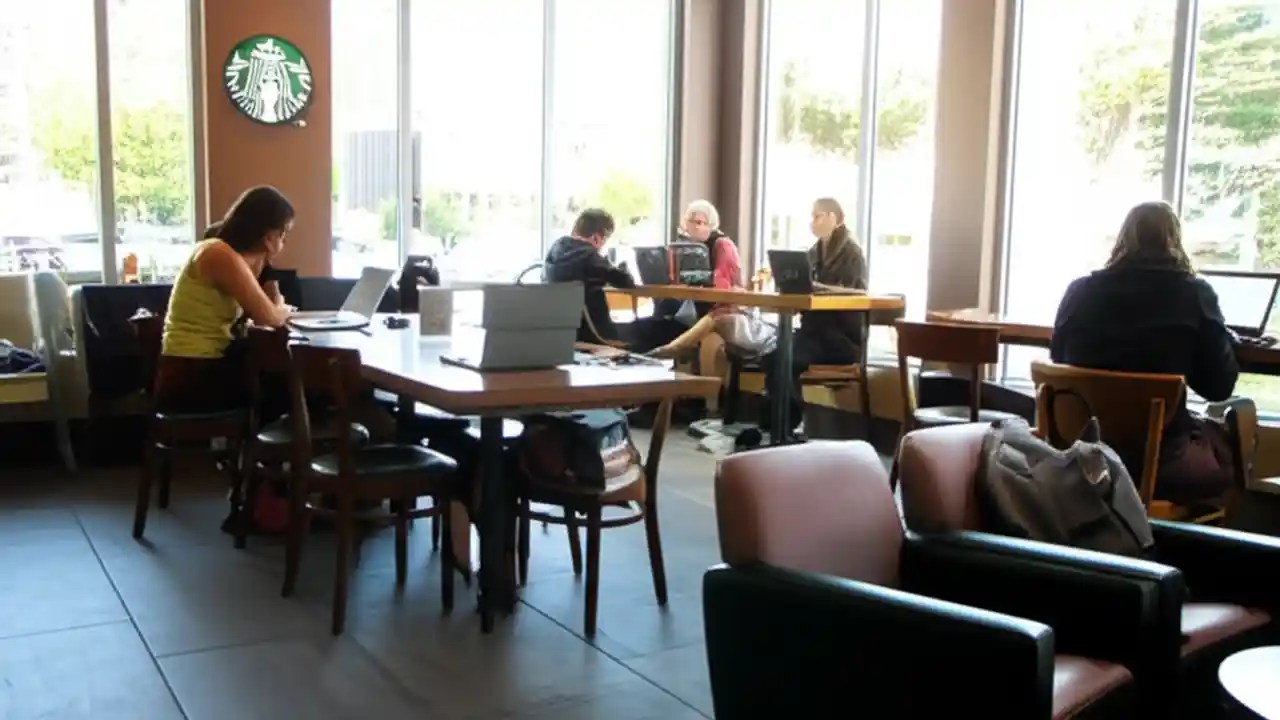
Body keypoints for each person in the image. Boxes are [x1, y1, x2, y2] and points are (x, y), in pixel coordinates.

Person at [1050, 200, 1239, 506]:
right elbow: (1218, 388)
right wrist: (1220, 335)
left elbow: (1058, 359)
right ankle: (1206, 547)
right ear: (1175, 241)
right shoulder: (1194, 294)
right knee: (1233, 442)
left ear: (1123, 239)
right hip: (1158, 467)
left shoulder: (1079, 292)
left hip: (1080, 456)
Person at [155, 186, 294, 413]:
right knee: (287, 385)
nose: (284, 240)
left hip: (199, 367)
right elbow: (269, 317)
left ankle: (270, 445)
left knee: (281, 382)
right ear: (268, 234)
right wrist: (283, 310)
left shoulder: (225, 254)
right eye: (283, 232)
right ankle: (288, 446)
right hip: (192, 373)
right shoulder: (218, 254)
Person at [760, 198, 868, 437]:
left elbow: (859, 293)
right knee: (771, 356)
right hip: (815, 334)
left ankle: (786, 425)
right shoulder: (815, 250)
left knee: (784, 357)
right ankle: (783, 424)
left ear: (834, 217)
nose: (813, 222)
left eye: (817, 216)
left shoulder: (852, 252)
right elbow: (805, 282)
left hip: (840, 340)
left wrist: (821, 289)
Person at [647, 200, 743, 359]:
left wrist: (693, 280)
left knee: (711, 317)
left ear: (711, 225)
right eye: (692, 222)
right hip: (695, 304)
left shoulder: (722, 244)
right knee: (664, 309)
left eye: (701, 223)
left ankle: (669, 350)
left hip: (723, 308)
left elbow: (722, 282)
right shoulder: (685, 246)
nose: (696, 227)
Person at [544, 208, 640, 345]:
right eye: (605, 239)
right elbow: (626, 282)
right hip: (594, 333)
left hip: (562, 332)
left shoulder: (554, 251)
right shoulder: (589, 256)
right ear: (597, 237)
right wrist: (622, 267)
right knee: (642, 332)